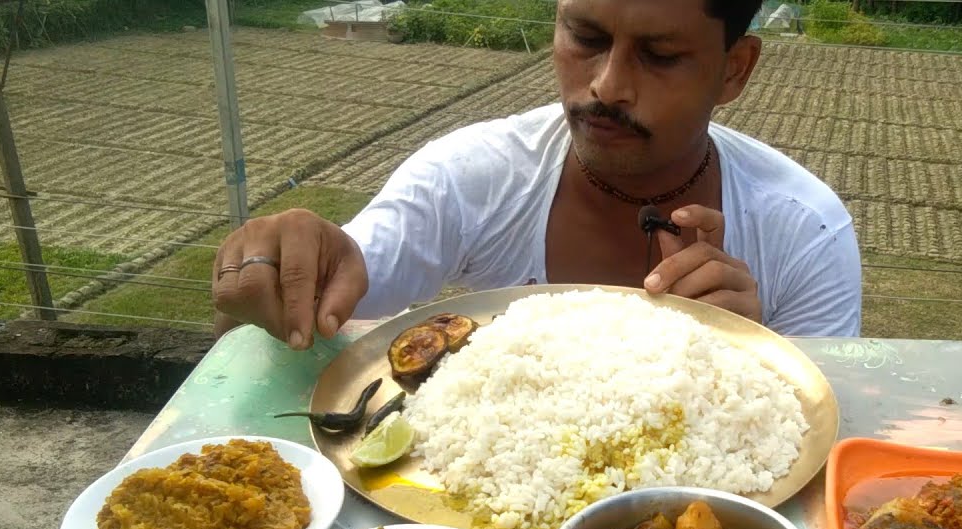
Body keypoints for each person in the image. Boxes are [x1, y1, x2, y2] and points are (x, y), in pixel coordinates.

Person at [212, 0, 862, 350]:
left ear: (735, 70)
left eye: (660, 56)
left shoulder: (806, 231)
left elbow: (814, 446)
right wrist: (289, 267)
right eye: (585, 37)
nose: (607, 86)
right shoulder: (470, 176)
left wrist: (751, 354)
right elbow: (344, 277)